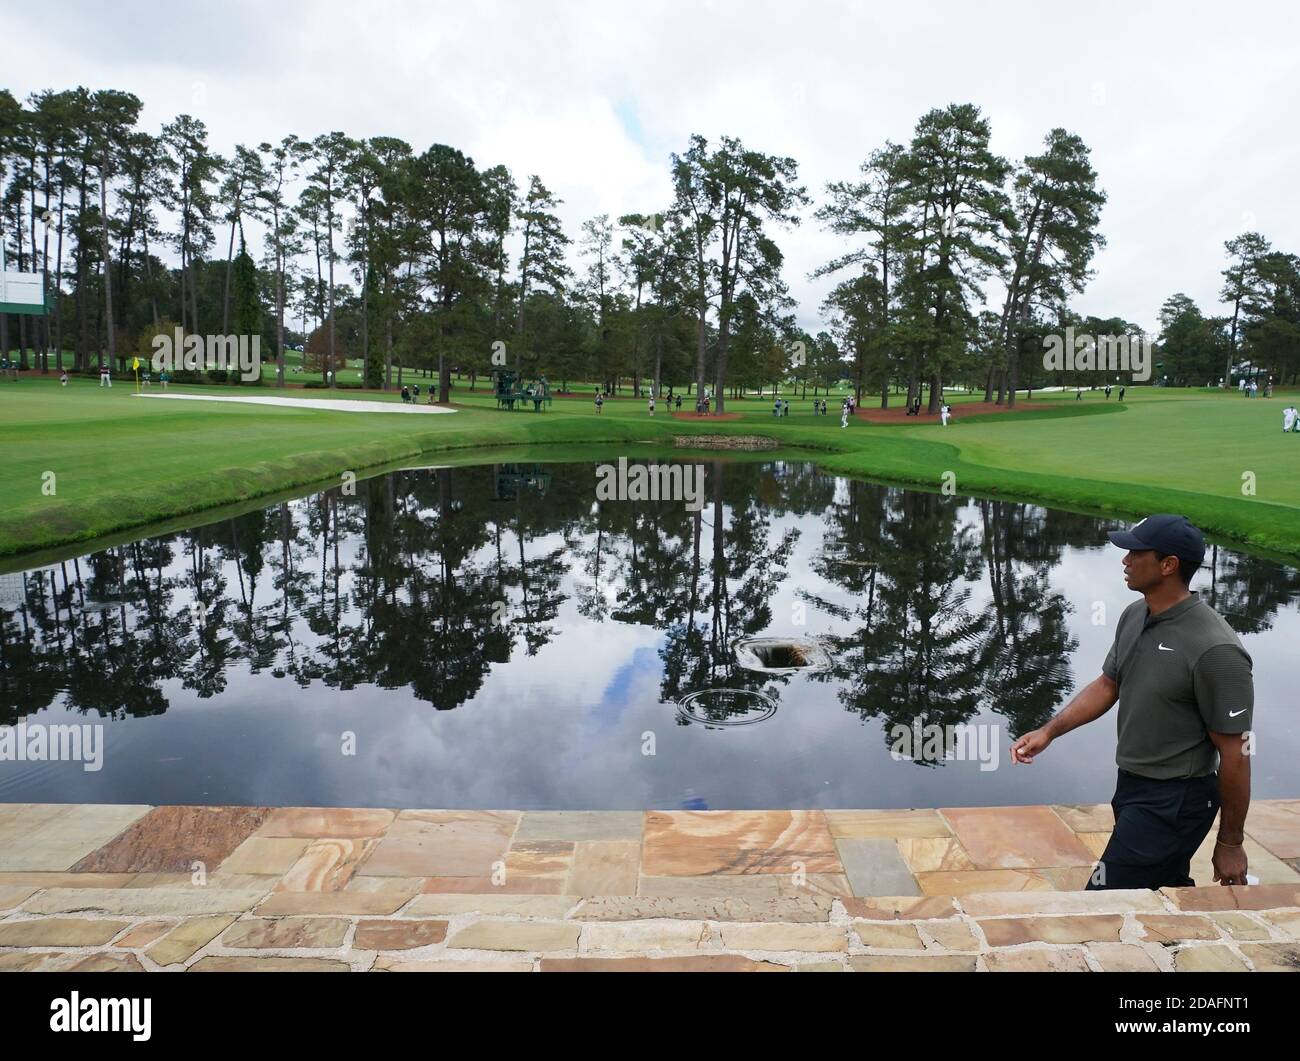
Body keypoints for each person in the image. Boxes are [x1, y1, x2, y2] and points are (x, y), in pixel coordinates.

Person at [1011, 515, 1254, 891]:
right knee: (1162, 888)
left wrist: (1231, 843)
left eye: (1135, 553)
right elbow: (1110, 684)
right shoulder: (1136, 614)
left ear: (1168, 565)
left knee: (1103, 900)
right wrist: (1049, 731)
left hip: (1176, 800)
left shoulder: (1215, 649)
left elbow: (1235, 753)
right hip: (1132, 786)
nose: (1124, 561)